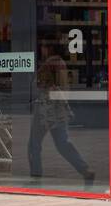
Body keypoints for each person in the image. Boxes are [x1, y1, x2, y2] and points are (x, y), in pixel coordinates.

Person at [29, 54, 94, 183]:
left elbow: (35, 88)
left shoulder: (46, 70)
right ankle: (84, 170)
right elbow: (64, 96)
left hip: (44, 115)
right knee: (63, 144)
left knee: (34, 145)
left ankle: (36, 174)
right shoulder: (61, 71)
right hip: (58, 115)